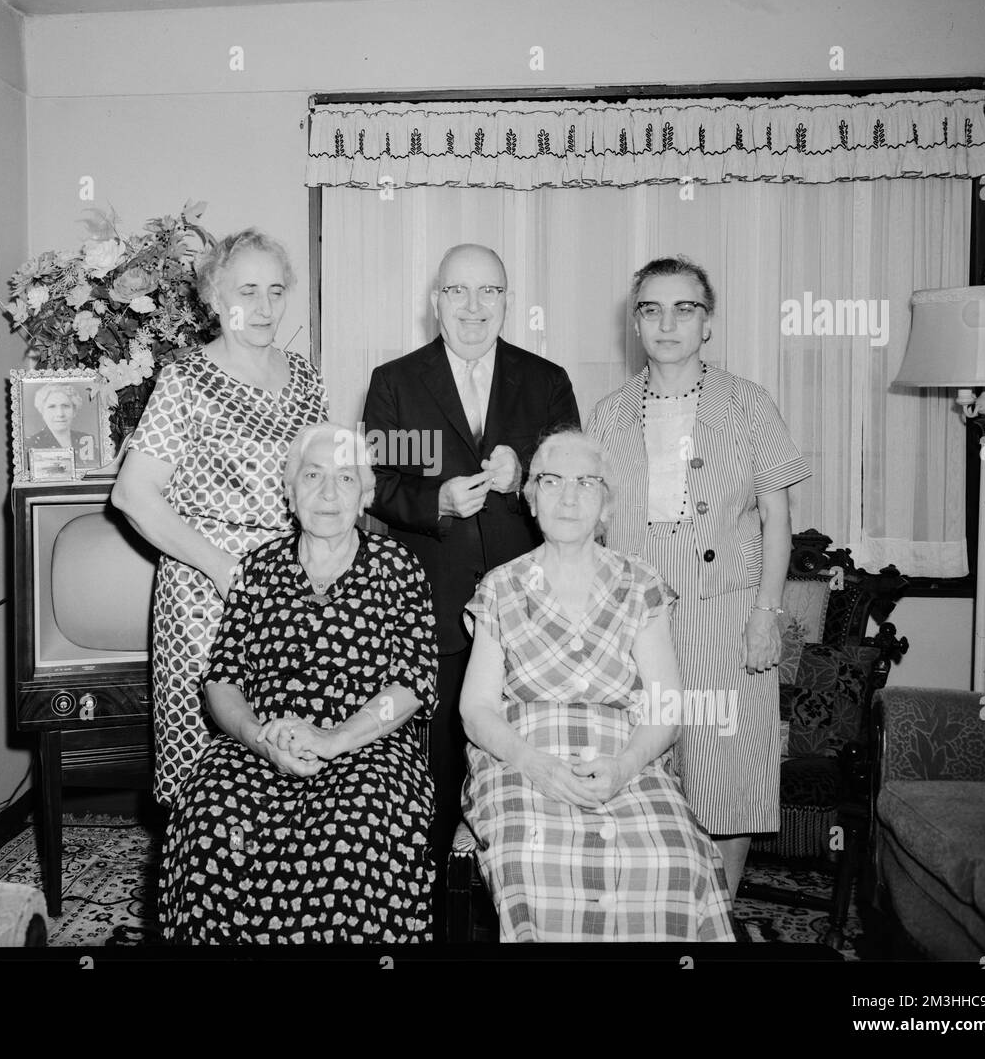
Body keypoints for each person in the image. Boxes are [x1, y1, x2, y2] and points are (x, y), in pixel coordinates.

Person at [361, 243, 580, 933]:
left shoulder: (544, 382)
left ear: (507, 302)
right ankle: (430, 916)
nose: (474, 307)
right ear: (436, 302)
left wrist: (530, 481)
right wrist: (439, 505)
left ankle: (519, 912)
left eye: (490, 292)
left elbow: (577, 487)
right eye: (459, 292)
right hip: (432, 603)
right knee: (436, 764)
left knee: (523, 764)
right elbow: (379, 485)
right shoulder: (396, 382)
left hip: (529, 610)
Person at [159, 423, 438, 943]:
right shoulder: (258, 568)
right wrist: (259, 737)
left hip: (366, 746)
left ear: (366, 497)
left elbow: (413, 682)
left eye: (346, 479)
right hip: (264, 740)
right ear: (289, 492)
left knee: (361, 830)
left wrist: (334, 740)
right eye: (312, 476)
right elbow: (222, 681)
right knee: (210, 822)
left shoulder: (399, 568)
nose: (328, 493)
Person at [585, 256, 810, 898]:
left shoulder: (747, 403)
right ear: (635, 323)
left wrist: (767, 616)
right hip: (640, 620)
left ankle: (718, 919)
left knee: (729, 773)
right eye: (652, 308)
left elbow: (776, 516)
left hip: (727, 614)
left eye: (685, 308)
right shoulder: (608, 414)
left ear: (707, 323)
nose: (668, 322)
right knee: (646, 767)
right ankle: (655, 914)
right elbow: (591, 528)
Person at [458, 430, 735, 941]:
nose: (568, 496)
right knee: (530, 860)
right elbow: (476, 710)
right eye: (552, 480)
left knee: (679, 862)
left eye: (586, 483)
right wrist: (534, 764)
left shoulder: (642, 585)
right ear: (531, 498)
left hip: (623, 758)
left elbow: (665, 707)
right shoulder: (499, 586)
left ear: (606, 504)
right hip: (522, 759)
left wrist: (626, 766)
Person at [112, 228, 329, 810]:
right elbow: (134, 494)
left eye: (276, 291)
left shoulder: (307, 379)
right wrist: (222, 568)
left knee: (288, 747)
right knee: (208, 769)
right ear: (214, 298)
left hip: (289, 586)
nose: (264, 308)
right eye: (247, 291)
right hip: (206, 594)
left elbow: (321, 483)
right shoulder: (184, 380)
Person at [25, 384, 99, 471]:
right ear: (42, 411)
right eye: (52, 407)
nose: (60, 414)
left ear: (74, 411)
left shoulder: (86, 440)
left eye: (65, 406)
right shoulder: (30, 444)